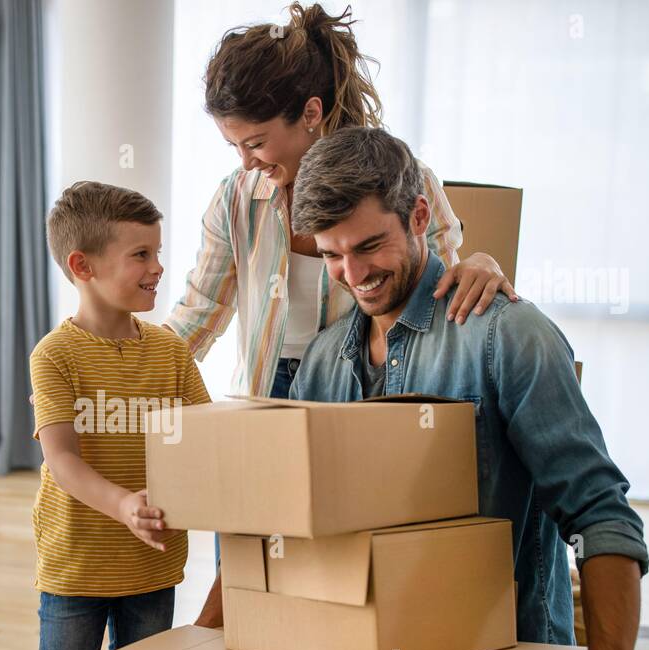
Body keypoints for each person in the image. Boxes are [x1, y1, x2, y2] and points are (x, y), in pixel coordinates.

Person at [287, 125, 648, 650]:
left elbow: (603, 517)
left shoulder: (508, 336)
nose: (353, 276)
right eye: (331, 256)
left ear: (421, 217)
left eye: (369, 246)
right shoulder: (326, 363)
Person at [164, 3, 519, 609]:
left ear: (310, 113)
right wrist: (113, 370)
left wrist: (481, 262)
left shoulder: (397, 176)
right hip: (267, 401)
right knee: (252, 588)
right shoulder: (238, 196)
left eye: (255, 142)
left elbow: (439, 280)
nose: (246, 161)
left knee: (343, 588)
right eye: (234, 145)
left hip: (365, 399)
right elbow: (199, 313)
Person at [26, 181, 210, 650]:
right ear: (84, 266)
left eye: (157, 251)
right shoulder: (56, 356)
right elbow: (63, 461)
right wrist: (124, 502)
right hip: (76, 572)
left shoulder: (169, 352)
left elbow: (205, 439)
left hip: (152, 570)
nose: (158, 267)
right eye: (140, 254)